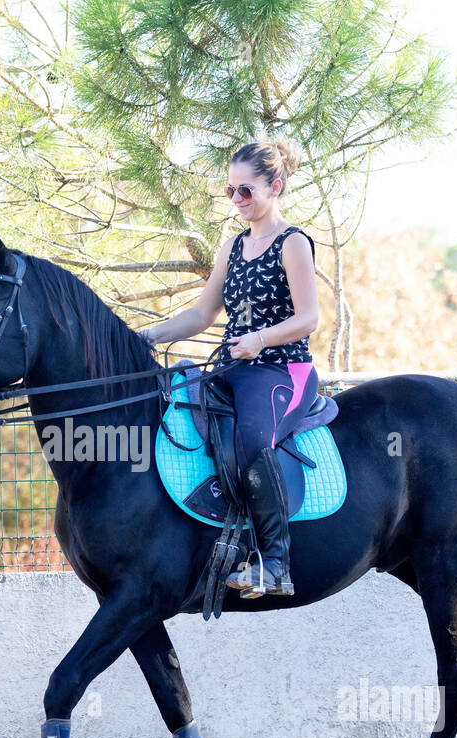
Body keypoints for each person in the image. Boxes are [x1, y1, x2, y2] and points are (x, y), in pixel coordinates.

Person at [139, 137, 319, 597]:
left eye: (247, 191)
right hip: (229, 367)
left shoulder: (293, 243)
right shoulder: (232, 247)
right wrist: (147, 335)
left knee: (253, 440)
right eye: (230, 191)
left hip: (282, 371)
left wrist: (259, 339)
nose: (237, 201)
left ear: (274, 187)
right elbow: (202, 315)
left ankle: (275, 562)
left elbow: (308, 319)